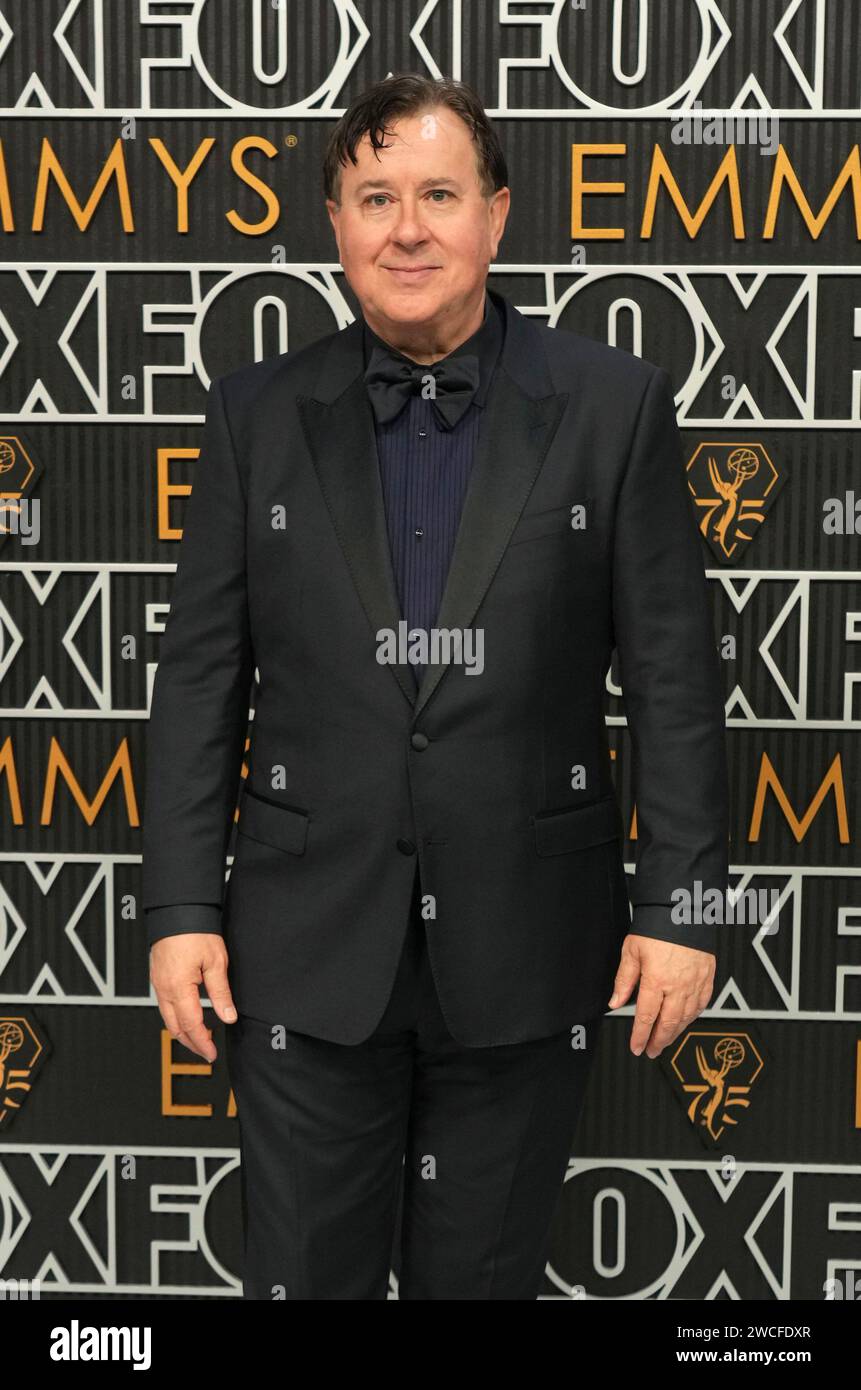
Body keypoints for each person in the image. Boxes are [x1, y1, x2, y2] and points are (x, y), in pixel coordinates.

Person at [142, 73, 728, 1300]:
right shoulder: (256, 415)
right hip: (301, 955)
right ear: (338, 225)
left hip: (527, 948)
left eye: (439, 194)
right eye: (375, 197)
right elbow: (200, 680)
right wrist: (181, 908)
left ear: (497, 215)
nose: (407, 227)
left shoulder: (612, 408)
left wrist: (682, 910)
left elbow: (673, 676)